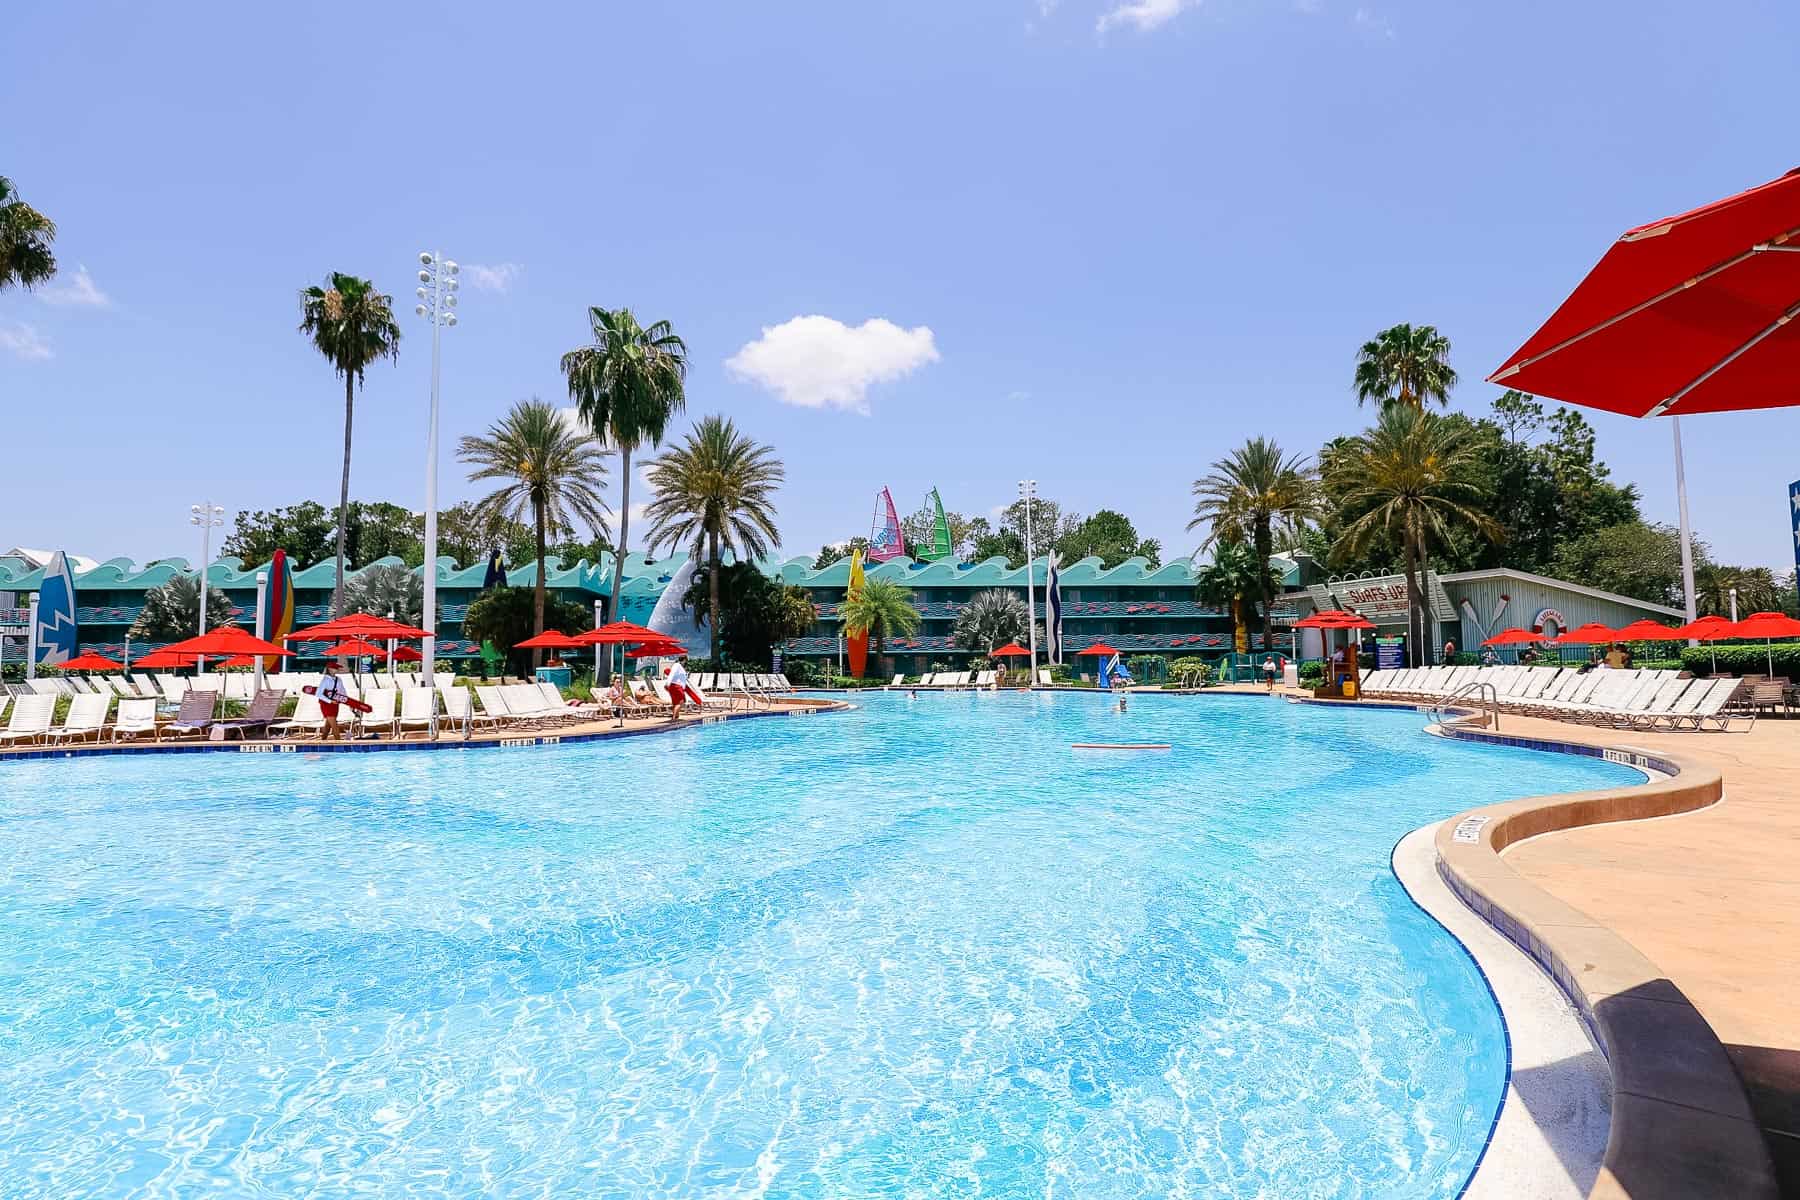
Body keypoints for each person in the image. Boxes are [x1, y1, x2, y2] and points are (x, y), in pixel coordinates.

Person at [316, 665, 349, 741]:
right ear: (329, 669)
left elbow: (342, 691)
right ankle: (339, 742)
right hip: (326, 703)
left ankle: (323, 741)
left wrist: (348, 702)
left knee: (328, 724)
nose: (336, 669)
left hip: (335, 703)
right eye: (335, 667)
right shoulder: (325, 680)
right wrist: (330, 701)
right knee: (334, 724)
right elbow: (318, 694)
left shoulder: (339, 679)